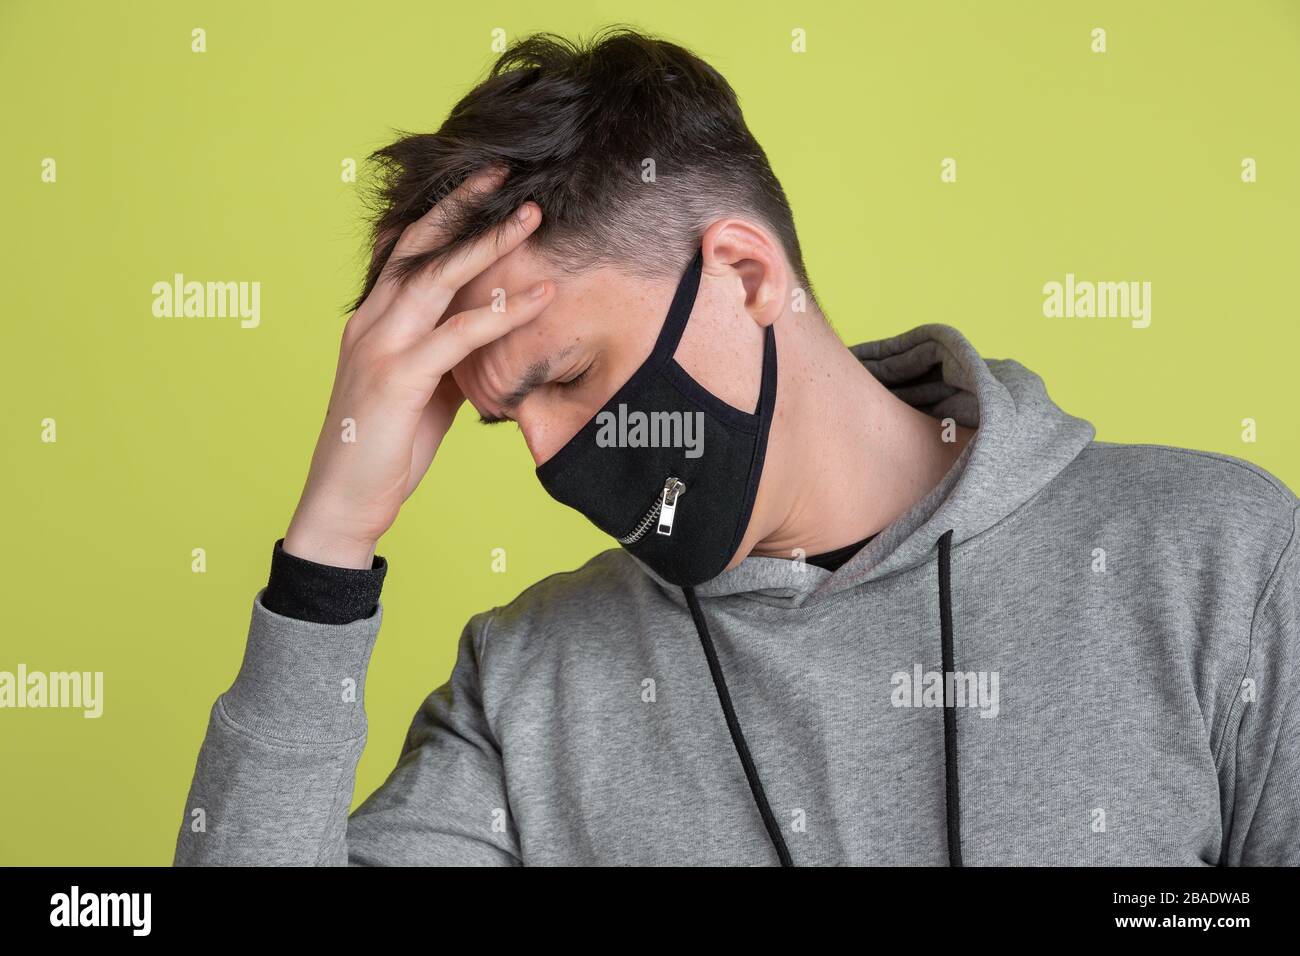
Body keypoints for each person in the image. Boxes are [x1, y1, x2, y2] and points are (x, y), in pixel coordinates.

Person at [174, 28, 1299, 866]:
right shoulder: (528, 682)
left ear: (746, 275)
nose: (550, 456)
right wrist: (329, 546)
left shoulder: (1216, 565)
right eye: (504, 417)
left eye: (566, 376)